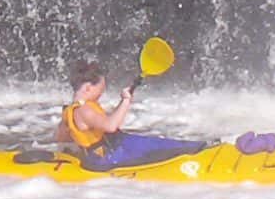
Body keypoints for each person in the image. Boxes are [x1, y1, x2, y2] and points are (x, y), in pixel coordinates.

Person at [53, 59, 201, 170]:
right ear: (87, 88)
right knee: (164, 150)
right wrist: (126, 101)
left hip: (113, 147)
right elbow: (111, 126)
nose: (101, 94)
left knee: (159, 144)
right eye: (100, 89)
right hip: (110, 156)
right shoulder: (85, 110)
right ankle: (201, 153)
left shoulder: (69, 110)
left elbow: (60, 137)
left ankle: (198, 148)